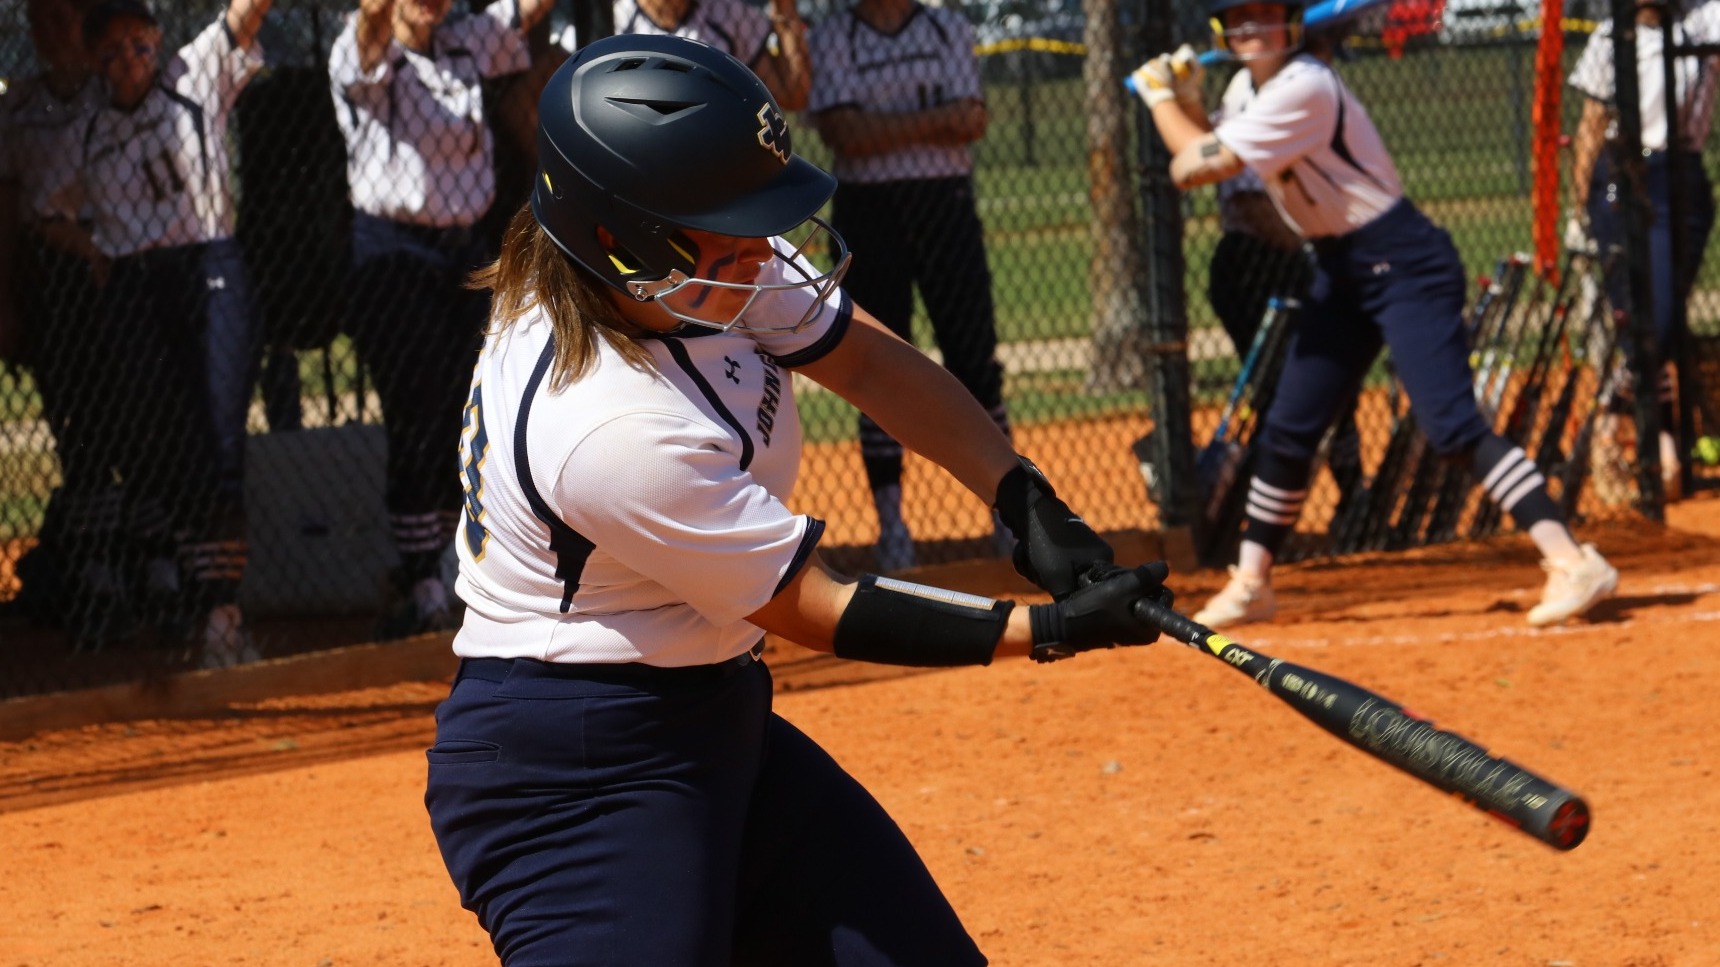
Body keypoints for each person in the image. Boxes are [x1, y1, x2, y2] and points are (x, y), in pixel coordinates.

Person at [425, 34, 1171, 965]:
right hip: (574, 772)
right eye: (731, 235)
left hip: (718, 714)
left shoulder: (683, 269)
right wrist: (1048, 628)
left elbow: (865, 358)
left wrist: (1021, 496)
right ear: (621, 242)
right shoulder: (605, 425)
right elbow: (816, 603)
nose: (760, 255)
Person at [1134, 0, 1619, 629]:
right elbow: (1210, 141)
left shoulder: (1305, 84)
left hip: (1404, 262)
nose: (1253, 28)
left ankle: (1573, 559)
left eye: (1266, 14)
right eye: (1239, 17)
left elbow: (1200, 165)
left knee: (1449, 424)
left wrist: (1157, 98)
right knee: (1289, 427)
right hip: (1340, 269)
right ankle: (1253, 584)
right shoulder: (1245, 84)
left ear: (1294, 21)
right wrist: (1192, 98)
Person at [40, 0, 274, 665]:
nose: (128, 62)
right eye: (110, 53)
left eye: (138, 45)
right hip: (137, 282)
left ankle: (222, 614)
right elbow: (45, 209)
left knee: (223, 436)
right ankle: (200, 606)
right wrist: (94, 250)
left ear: (156, 39)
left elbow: (245, 17)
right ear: (94, 62)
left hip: (210, 262)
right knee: (174, 446)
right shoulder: (85, 129)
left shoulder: (191, 73)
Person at [327, 0, 553, 638]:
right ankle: (421, 575)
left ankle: (472, 560)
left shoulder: (465, 39)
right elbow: (372, 31)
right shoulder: (361, 44)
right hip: (392, 251)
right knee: (418, 406)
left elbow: (528, 12)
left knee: (481, 402)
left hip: (468, 250)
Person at [807, 0, 1015, 572]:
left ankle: (1010, 515)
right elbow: (846, 136)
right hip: (869, 212)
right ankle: (893, 525)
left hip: (945, 204)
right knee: (877, 359)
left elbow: (973, 120)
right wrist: (934, 117)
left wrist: (886, 126)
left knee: (974, 359)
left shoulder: (945, 25)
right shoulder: (836, 36)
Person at [1568, 0, 1720, 501]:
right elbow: (1591, 125)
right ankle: (1650, 445)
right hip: (1624, 175)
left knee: (1667, 319)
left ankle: (1620, 421)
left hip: (1685, 177)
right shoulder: (1610, 37)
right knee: (1642, 316)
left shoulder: (1701, 24)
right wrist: (1579, 212)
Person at [0, 0, 113, 640]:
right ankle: (92, 571)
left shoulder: (112, 88)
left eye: (64, 16)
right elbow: (8, 202)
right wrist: (7, 298)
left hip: (112, 262)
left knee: (124, 416)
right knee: (74, 418)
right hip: (49, 271)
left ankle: (131, 565)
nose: (51, 30)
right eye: (40, 19)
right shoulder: (17, 105)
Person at [600, 0, 812, 110]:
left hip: (714, 165)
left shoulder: (725, 12)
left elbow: (793, 95)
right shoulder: (611, 19)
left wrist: (784, 7)